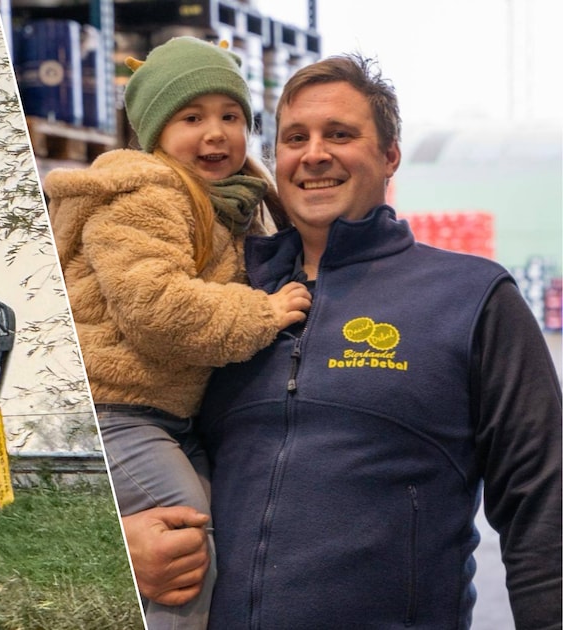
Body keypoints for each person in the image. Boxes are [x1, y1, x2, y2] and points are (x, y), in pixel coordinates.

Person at [133, 52, 563, 629]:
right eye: (295, 138)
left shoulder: (470, 298)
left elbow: (543, 503)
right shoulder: (219, 304)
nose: (314, 154)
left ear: (390, 156)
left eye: (339, 134)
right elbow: (127, 427)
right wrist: (124, 538)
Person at [44, 36, 311, 629]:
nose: (215, 133)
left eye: (231, 116)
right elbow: (155, 308)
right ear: (155, 131)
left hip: (167, 416)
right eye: (192, 118)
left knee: (221, 534)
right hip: (114, 410)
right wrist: (263, 313)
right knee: (183, 538)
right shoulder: (144, 194)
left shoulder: (231, 201)